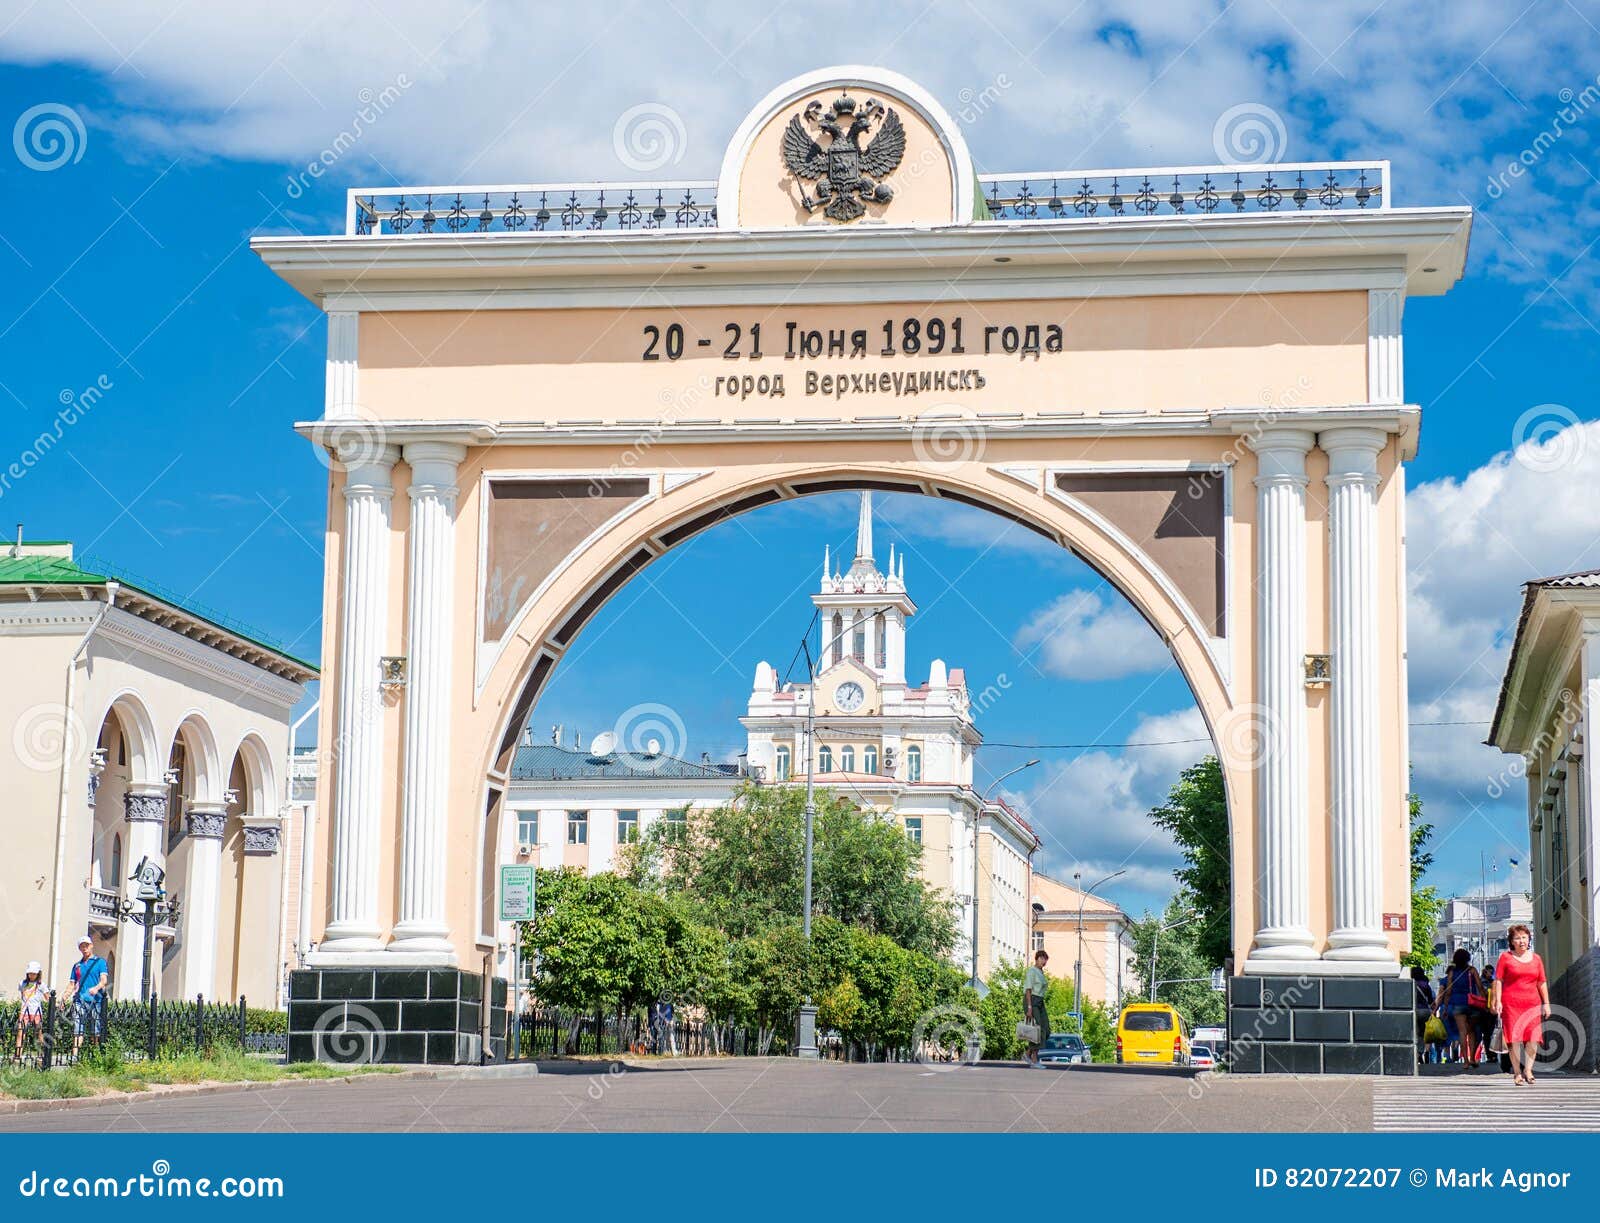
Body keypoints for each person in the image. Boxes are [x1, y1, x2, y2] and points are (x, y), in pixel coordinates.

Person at [1493, 924, 1549, 1086]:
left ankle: (1528, 1070)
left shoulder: (1536, 959)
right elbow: (1498, 980)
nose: (1521, 941)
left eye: (1524, 937)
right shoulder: (1505, 957)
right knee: (1514, 1039)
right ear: (1511, 941)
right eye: (1517, 938)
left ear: (1529, 939)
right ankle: (1517, 1072)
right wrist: (1498, 1001)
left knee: (1533, 1038)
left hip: (1532, 1004)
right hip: (1511, 1004)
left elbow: (1542, 982)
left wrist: (1546, 1003)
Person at [1433, 948, 1484, 1067]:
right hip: (1472, 1003)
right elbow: (1480, 987)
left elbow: (1449, 991)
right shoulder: (1472, 970)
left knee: (1462, 1032)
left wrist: (1445, 1008)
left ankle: (1465, 1061)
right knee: (1471, 1031)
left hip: (1457, 1004)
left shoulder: (1452, 973)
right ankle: (1472, 1058)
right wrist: (1485, 1001)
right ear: (1468, 958)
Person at [68, 937, 109, 1055]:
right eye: (82, 946)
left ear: (91, 945)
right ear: (79, 948)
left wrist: (96, 988)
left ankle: (95, 1055)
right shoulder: (77, 966)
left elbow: (104, 980)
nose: (84, 948)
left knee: (95, 1030)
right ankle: (74, 1056)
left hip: (95, 1001)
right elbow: (72, 984)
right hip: (79, 1000)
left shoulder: (100, 962)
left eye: (86, 945)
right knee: (77, 1028)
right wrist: (64, 998)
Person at [15, 962, 48, 1060]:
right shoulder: (22, 983)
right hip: (24, 1011)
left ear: (38, 973)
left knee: (39, 1033)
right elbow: (23, 996)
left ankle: (40, 1055)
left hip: (36, 1012)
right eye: (30, 973)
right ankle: (17, 1055)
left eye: (34, 973)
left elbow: (48, 998)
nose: (31, 975)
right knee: (20, 1033)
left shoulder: (41, 985)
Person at [1023, 949, 1050, 1068]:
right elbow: (1028, 989)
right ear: (1037, 958)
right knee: (1037, 1029)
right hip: (1032, 1000)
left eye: (1045, 960)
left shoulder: (1041, 972)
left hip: (1040, 1001)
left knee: (1046, 1030)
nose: (1043, 962)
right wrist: (1029, 1007)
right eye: (1042, 959)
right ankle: (1034, 1059)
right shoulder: (1032, 971)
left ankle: (1028, 1053)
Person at [1410, 965, 1435, 1063]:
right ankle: (1421, 1052)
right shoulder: (1426, 985)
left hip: (1413, 1011)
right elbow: (1430, 1000)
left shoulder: (1410, 984)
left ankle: (1416, 1053)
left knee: (1414, 1033)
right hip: (1425, 1011)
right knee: (1423, 1034)